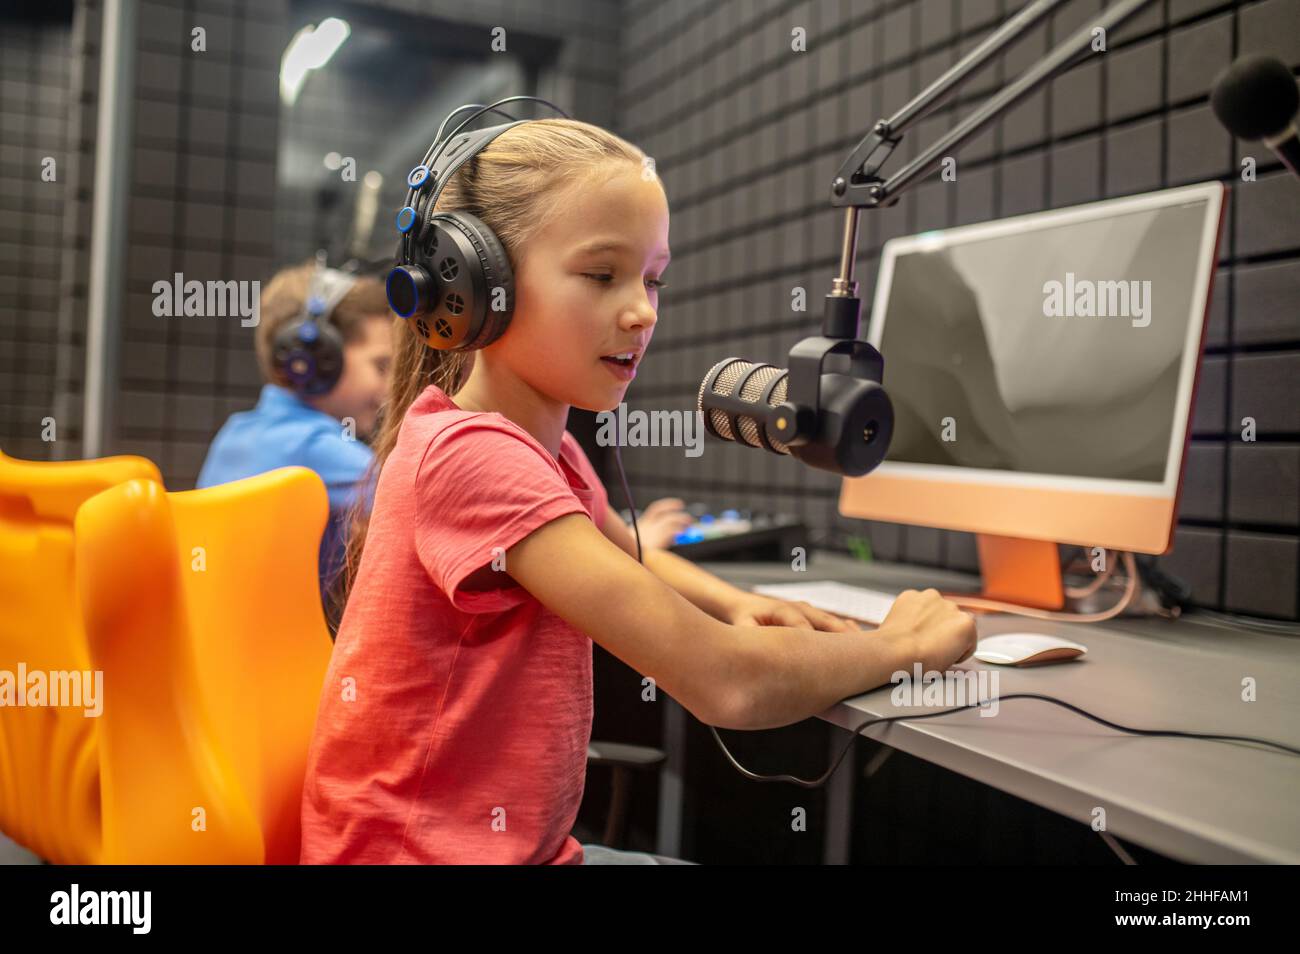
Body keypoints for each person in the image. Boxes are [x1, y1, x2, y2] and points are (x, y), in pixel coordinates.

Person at [298, 118, 976, 866]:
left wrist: (731, 602)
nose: (642, 311)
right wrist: (903, 648)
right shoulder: (474, 459)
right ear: (471, 281)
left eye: (653, 280)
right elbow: (727, 685)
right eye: (601, 275)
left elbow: (627, 550)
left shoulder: (540, 448)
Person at [196, 260, 394, 620]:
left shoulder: (233, 434)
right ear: (317, 360)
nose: (388, 388)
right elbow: (424, 507)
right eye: (380, 367)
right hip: (282, 663)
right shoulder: (316, 448)